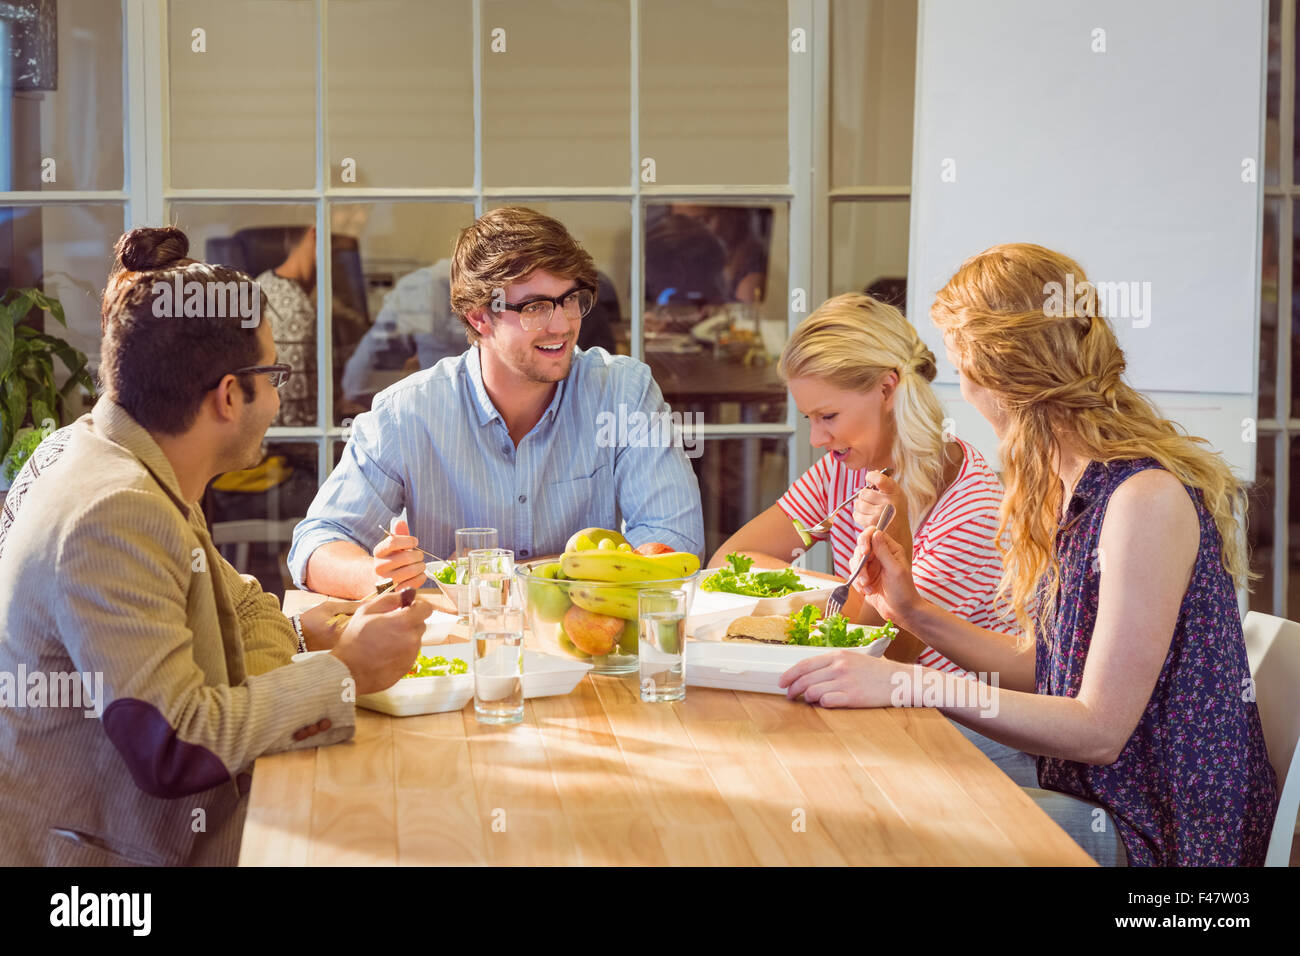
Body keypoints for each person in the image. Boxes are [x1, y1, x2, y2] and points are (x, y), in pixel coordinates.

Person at [780, 243, 1278, 866]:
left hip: (1157, 830)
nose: (962, 389)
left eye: (963, 367)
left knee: (891, 822)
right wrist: (909, 609)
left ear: (1002, 374)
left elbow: (1097, 730)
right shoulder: (1065, 486)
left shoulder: (1142, 500)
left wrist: (910, 680)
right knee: (868, 781)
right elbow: (1048, 666)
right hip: (1089, 786)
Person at [0, 227, 431, 866]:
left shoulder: (126, 456)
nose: (282, 397)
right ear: (229, 395)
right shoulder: (114, 510)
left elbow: (250, 606)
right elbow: (175, 746)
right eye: (275, 374)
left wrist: (299, 648)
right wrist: (344, 673)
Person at [290, 207, 704, 599]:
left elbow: (675, 541)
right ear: (478, 317)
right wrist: (377, 577)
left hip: (586, 647)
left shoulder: (623, 392)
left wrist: (503, 577)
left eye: (570, 299)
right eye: (535, 307)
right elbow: (316, 543)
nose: (561, 325)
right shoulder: (407, 413)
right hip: (458, 654)